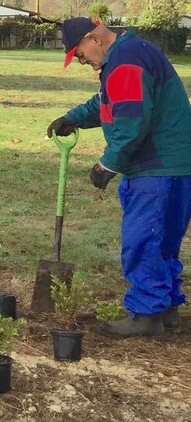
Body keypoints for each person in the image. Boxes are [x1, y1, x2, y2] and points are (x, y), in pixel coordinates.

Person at [47, 17, 191, 337]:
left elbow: (131, 121)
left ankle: (146, 315)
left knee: (142, 240)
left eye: (80, 54)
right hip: (178, 165)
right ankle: (166, 309)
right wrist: (73, 118)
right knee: (164, 240)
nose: (82, 61)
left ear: (95, 39)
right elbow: (109, 102)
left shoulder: (125, 61)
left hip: (154, 169)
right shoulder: (131, 53)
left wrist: (108, 164)